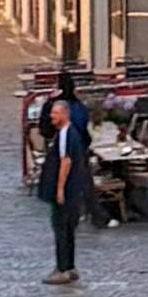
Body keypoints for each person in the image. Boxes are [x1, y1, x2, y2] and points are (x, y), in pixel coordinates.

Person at [41, 68, 90, 282]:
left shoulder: (65, 134)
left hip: (66, 189)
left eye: (54, 114)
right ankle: (69, 266)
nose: (52, 117)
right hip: (76, 187)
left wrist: (59, 189)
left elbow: (65, 161)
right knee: (69, 228)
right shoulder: (79, 117)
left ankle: (62, 269)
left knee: (61, 227)